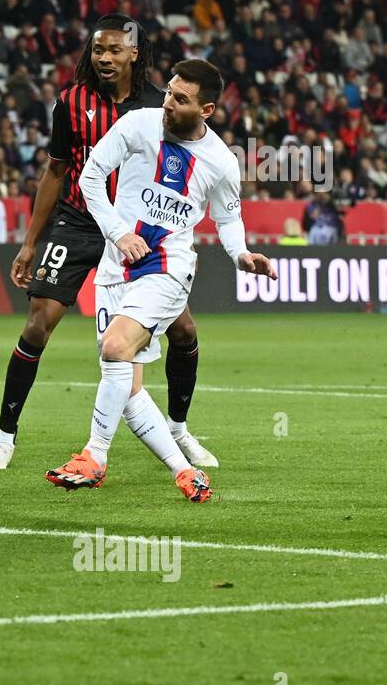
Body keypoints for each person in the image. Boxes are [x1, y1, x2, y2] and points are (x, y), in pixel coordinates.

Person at [0, 15, 216, 472]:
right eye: (97, 50)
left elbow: (184, 175)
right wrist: (31, 243)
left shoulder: (159, 104)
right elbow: (55, 170)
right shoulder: (70, 103)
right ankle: (4, 436)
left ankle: (179, 429)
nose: (103, 58)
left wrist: (184, 240)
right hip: (76, 223)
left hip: (137, 237)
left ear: (135, 54)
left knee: (184, 330)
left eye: (113, 50)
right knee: (37, 325)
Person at [47, 60, 277, 501]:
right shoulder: (137, 124)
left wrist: (242, 254)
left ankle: (94, 456)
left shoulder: (221, 162)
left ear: (206, 109)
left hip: (167, 268)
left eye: (181, 99)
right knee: (126, 386)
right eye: (169, 93)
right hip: (116, 266)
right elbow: (90, 176)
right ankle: (184, 471)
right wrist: (117, 233)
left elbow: (228, 219)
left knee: (115, 348)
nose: (168, 103)